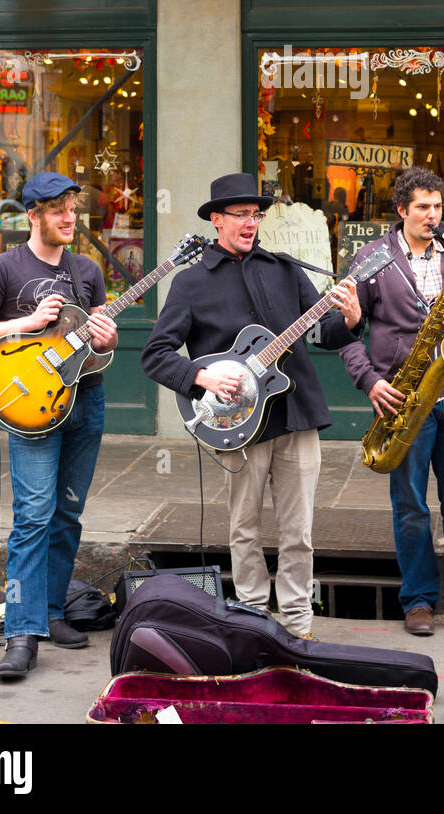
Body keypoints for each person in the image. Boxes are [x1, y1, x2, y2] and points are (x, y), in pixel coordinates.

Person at [141, 172, 362, 639]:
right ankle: (252, 622)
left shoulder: (284, 268)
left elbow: (322, 334)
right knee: (244, 530)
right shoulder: (191, 283)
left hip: (295, 414)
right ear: (217, 220)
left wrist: (351, 320)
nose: (250, 223)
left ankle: (300, 625)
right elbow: (155, 355)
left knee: (298, 531)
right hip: (236, 423)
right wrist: (200, 375)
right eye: (240, 215)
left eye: (255, 215)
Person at [339, 165, 444, 640]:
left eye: (438, 207)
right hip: (403, 397)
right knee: (412, 505)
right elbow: (344, 333)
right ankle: (417, 601)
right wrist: (370, 381)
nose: (432, 216)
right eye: (422, 208)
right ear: (401, 210)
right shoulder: (372, 258)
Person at [0, 172, 118, 680]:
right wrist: (26, 323)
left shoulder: (86, 270)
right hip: (30, 407)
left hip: (83, 401)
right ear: (33, 215)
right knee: (33, 515)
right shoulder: (4, 268)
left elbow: (91, 350)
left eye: (73, 208)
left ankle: (51, 612)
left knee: (68, 513)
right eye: (57, 210)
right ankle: (22, 634)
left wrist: (107, 340)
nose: (69, 218)